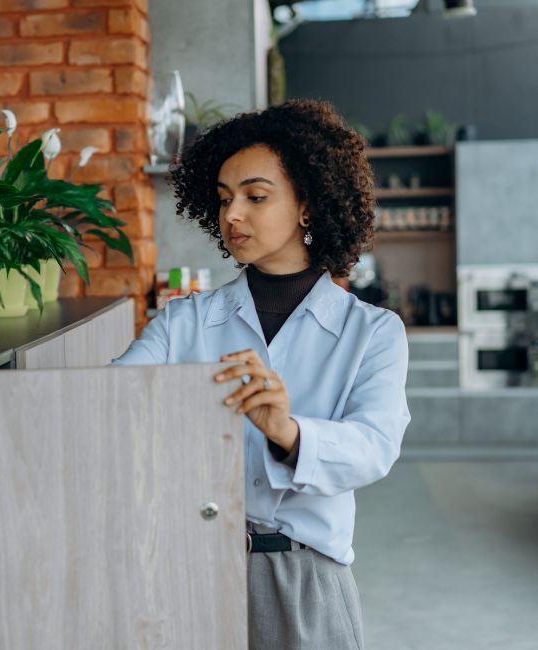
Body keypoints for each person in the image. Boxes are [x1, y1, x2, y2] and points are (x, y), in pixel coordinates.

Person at [112, 99, 410, 649]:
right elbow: (111, 401)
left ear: (307, 206)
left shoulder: (372, 331)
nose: (233, 216)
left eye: (255, 196)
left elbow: (375, 446)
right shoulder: (184, 321)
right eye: (224, 199)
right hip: (194, 569)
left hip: (307, 579)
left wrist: (287, 431)